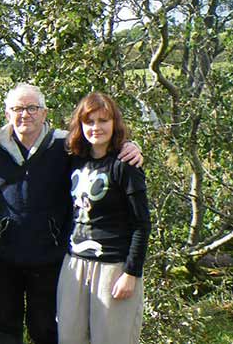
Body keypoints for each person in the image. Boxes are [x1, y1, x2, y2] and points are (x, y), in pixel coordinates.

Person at [0, 84, 142, 344]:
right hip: (4, 254)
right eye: (18, 109)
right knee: (7, 325)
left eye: (32, 108)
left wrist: (130, 146)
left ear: (44, 113)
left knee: (45, 328)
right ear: (7, 114)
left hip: (50, 256)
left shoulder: (65, 144)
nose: (25, 115)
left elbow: (102, 144)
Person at [56, 92, 150, 343]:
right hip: (74, 264)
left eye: (103, 120)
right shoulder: (74, 160)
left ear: (114, 124)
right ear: (81, 125)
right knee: (70, 338)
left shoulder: (125, 164)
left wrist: (131, 273)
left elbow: (142, 224)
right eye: (90, 122)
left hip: (113, 266)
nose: (96, 127)